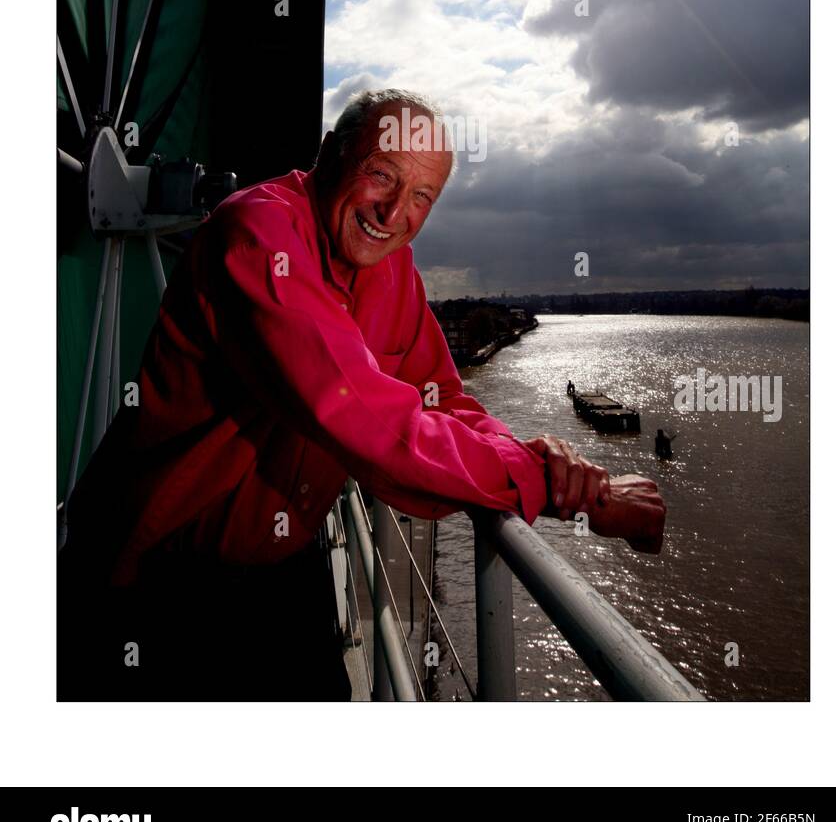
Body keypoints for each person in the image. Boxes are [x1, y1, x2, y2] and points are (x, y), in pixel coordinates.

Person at [60, 89, 665, 701]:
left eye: (422, 197)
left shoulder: (393, 272)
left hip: (284, 566)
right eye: (382, 174)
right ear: (329, 153)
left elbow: (440, 399)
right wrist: (559, 490)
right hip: (163, 580)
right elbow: (362, 414)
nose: (394, 212)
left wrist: (546, 461)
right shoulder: (258, 233)